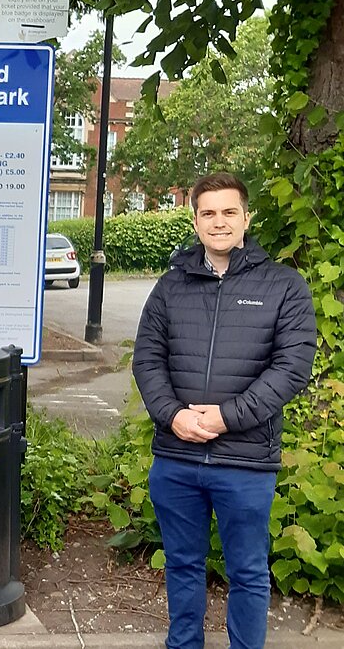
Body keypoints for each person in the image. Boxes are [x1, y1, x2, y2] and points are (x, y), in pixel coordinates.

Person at [133, 171, 317, 649]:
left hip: (246, 461)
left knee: (249, 571)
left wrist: (225, 417)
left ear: (246, 217)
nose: (219, 222)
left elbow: (291, 367)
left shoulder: (284, 286)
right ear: (194, 220)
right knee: (182, 565)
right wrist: (174, 415)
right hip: (176, 458)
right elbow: (147, 358)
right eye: (208, 213)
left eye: (228, 212)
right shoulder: (171, 286)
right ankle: (184, 644)